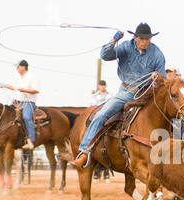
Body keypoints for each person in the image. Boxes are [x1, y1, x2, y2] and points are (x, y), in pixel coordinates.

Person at [70, 22, 166, 168]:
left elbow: (163, 79)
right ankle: (84, 152)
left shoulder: (157, 53)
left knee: (171, 115)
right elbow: (105, 55)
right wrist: (114, 40)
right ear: (135, 37)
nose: (145, 41)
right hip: (127, 92)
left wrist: (157, 77)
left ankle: (176, 151)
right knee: (102, 115)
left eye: (148, 39)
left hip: (147, 94)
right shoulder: (126, 47)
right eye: (142, 38)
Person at [0, 60, 39, 150]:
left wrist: (25, 90)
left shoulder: (31, 77)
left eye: (18, 67)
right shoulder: (19, 78)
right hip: (18, 102)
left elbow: (36, 90)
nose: (17, 68)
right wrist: (5, 85)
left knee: (26, 117)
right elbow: (14, 88)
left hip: (28, 102)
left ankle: (31, 140)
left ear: (23, 67)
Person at [90, 80, 113, 182]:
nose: (102, 87)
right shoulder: (94, 97)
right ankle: (97, 173)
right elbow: (92, 109)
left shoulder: (110, 95)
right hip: (98, 119)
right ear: (99, 86)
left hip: (107, 120)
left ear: (105, 86)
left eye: (104, 85)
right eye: (101, 85)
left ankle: (105, 174)